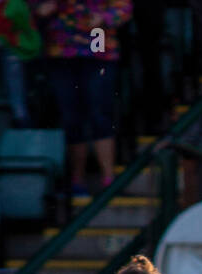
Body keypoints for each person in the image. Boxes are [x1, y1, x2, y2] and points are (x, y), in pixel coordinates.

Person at [35, 1, 132, 196]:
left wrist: (104, 18)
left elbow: (124, 7)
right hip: (61, 50)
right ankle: (77, 180)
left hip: (98, 49)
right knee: (71, 117)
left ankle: (108, 178)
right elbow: (32, 9)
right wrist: (40, 10)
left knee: (100, 112)